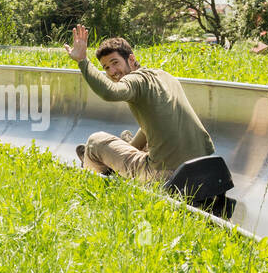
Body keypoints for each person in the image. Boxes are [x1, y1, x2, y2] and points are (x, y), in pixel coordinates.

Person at [64, 24, 214, 183]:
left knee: (95, 142)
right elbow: (149, 127)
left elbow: (110, 92)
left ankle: (92, 166)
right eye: (106, 67)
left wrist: (82, 61)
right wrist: (130, 147)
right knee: (132, 138)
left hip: (165, 174)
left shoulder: (135, 81)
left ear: (131, 58)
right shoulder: (165, 77)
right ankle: (111, 156)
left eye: (115, 63)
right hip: (205, 165)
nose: (112, 72)